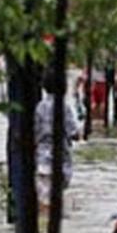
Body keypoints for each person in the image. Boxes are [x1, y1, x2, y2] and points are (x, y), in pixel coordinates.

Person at [35, 72, 80, 210]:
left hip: (42, 159)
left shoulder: (39, 107)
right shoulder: (64, 107)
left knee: (43, 199)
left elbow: (34, 133)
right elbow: (73, 133)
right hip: (61, 160)